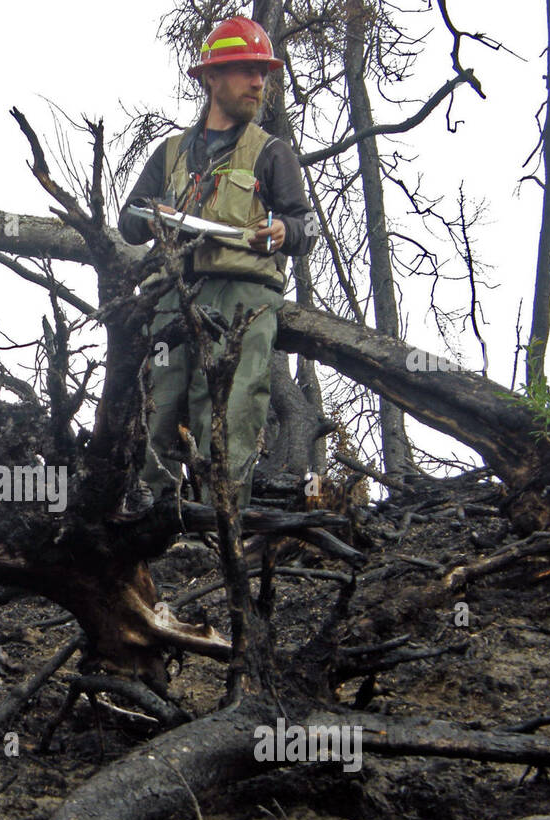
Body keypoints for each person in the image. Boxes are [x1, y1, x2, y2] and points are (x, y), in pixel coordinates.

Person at [119, 16, 316, 509]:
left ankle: (218, 527)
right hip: (172, 297)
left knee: (230, 409)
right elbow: (127, 220)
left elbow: (306, 227)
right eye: (246, 71)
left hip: (244, 299)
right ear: (211, 78)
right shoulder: (170, 153)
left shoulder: (272, 154)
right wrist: (153, 219)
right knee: (157, 405)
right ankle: (147, 524)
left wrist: (284, 231)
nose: (258, 83)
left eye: (263, 74)